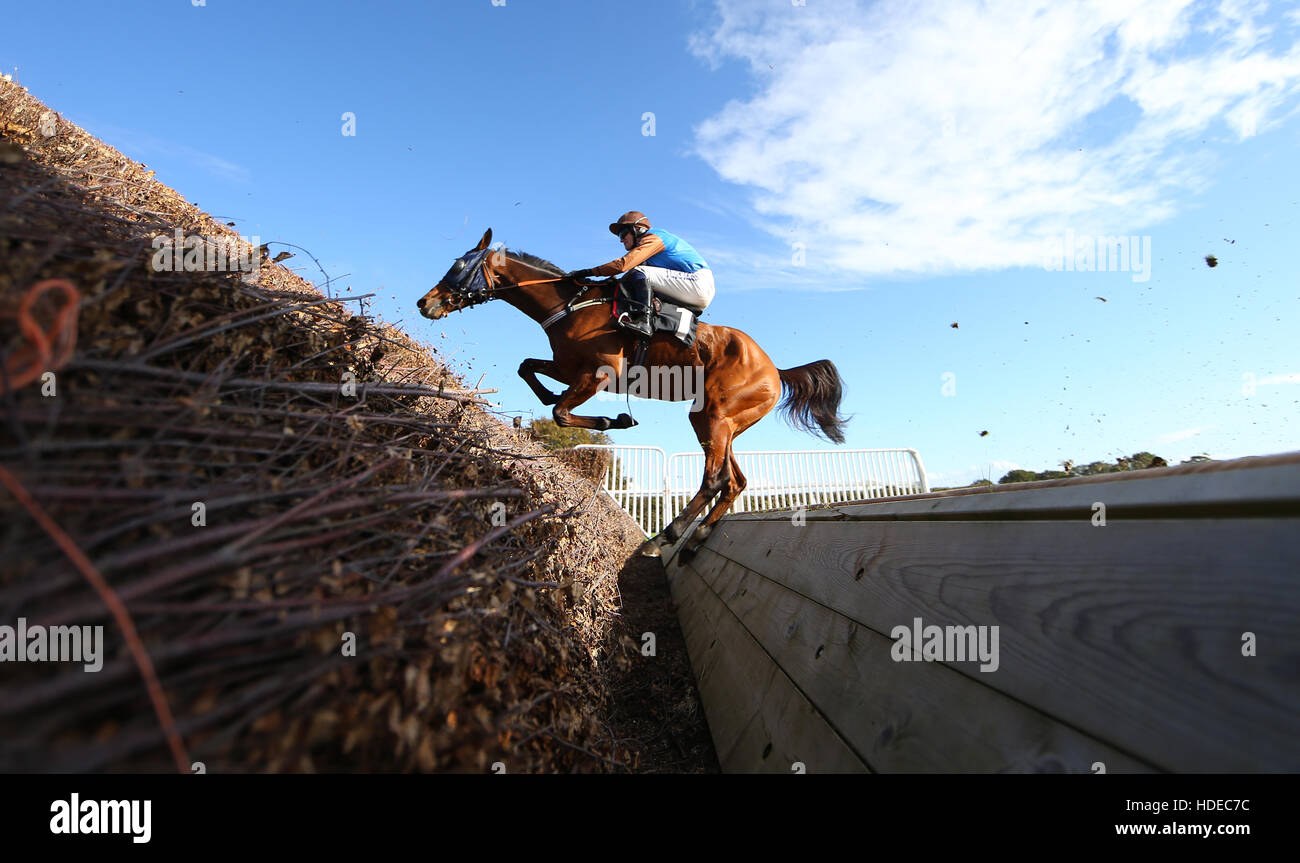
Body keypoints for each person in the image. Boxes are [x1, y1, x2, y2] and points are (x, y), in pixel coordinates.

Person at [567, 211, 714, 337]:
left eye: (623, 234)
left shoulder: (653, 237)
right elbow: (629, 276)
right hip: (691, 286)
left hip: (698, 282)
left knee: (640, 272)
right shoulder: (649, 253)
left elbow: (623, 265)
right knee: (634, 278)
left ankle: (645, 321)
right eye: (620, 236)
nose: (621, 239)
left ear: (638, 229)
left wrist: (589, 272)